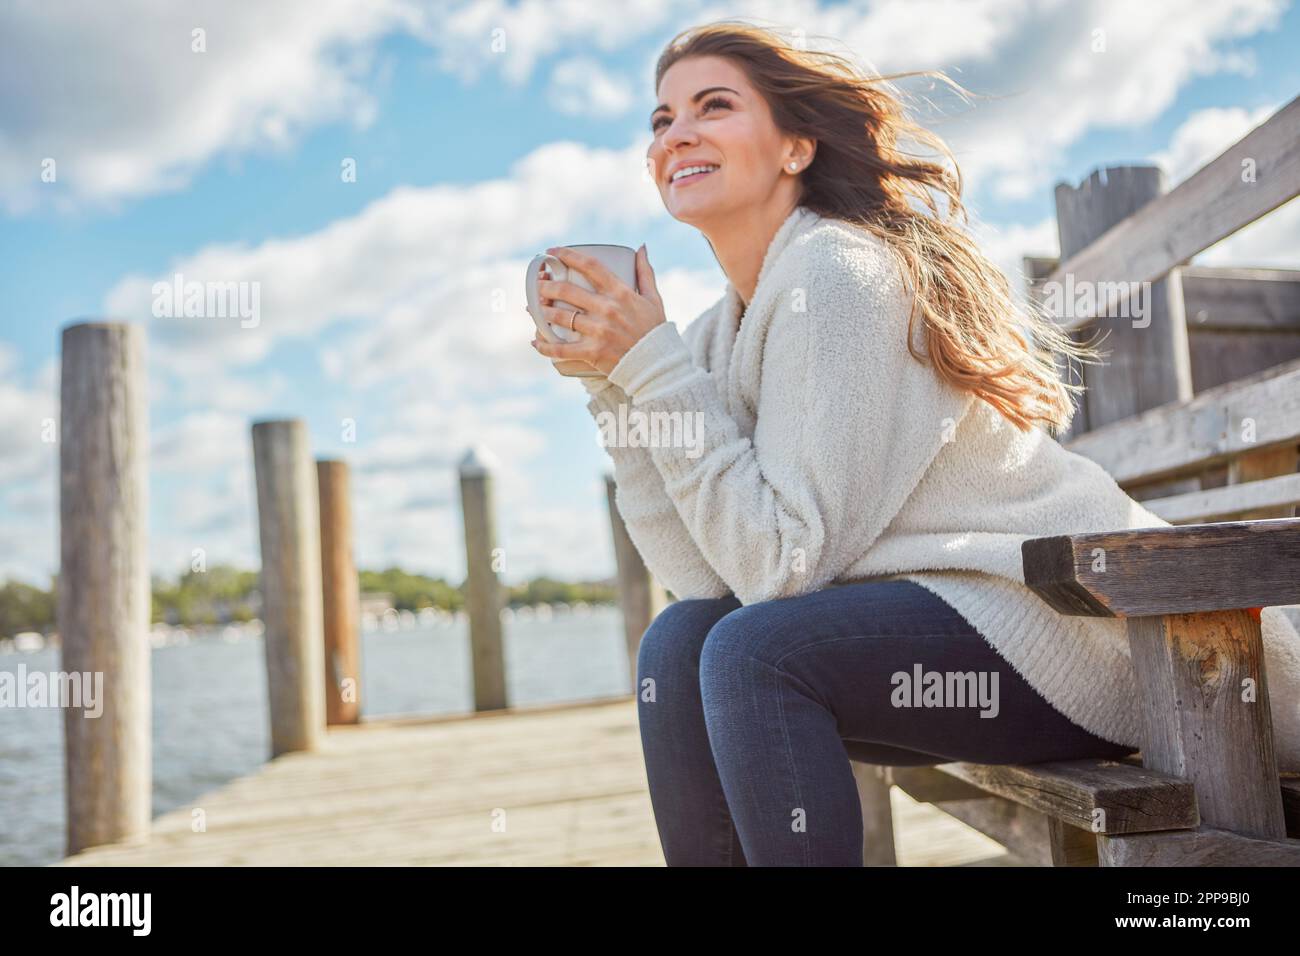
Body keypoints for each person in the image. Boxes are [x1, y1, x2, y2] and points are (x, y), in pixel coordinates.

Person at [528, 21, 1300, 866]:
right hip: (955, 633)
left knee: (757, 653)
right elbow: (710, 577)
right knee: (680, 640)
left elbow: (780, 570)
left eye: (713, 106)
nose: (677, 133)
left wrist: (653, 369)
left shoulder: (839, 273)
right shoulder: (718, 333)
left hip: (1095, 634)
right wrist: (618, 388)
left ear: (795, 147)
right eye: (661, 119)